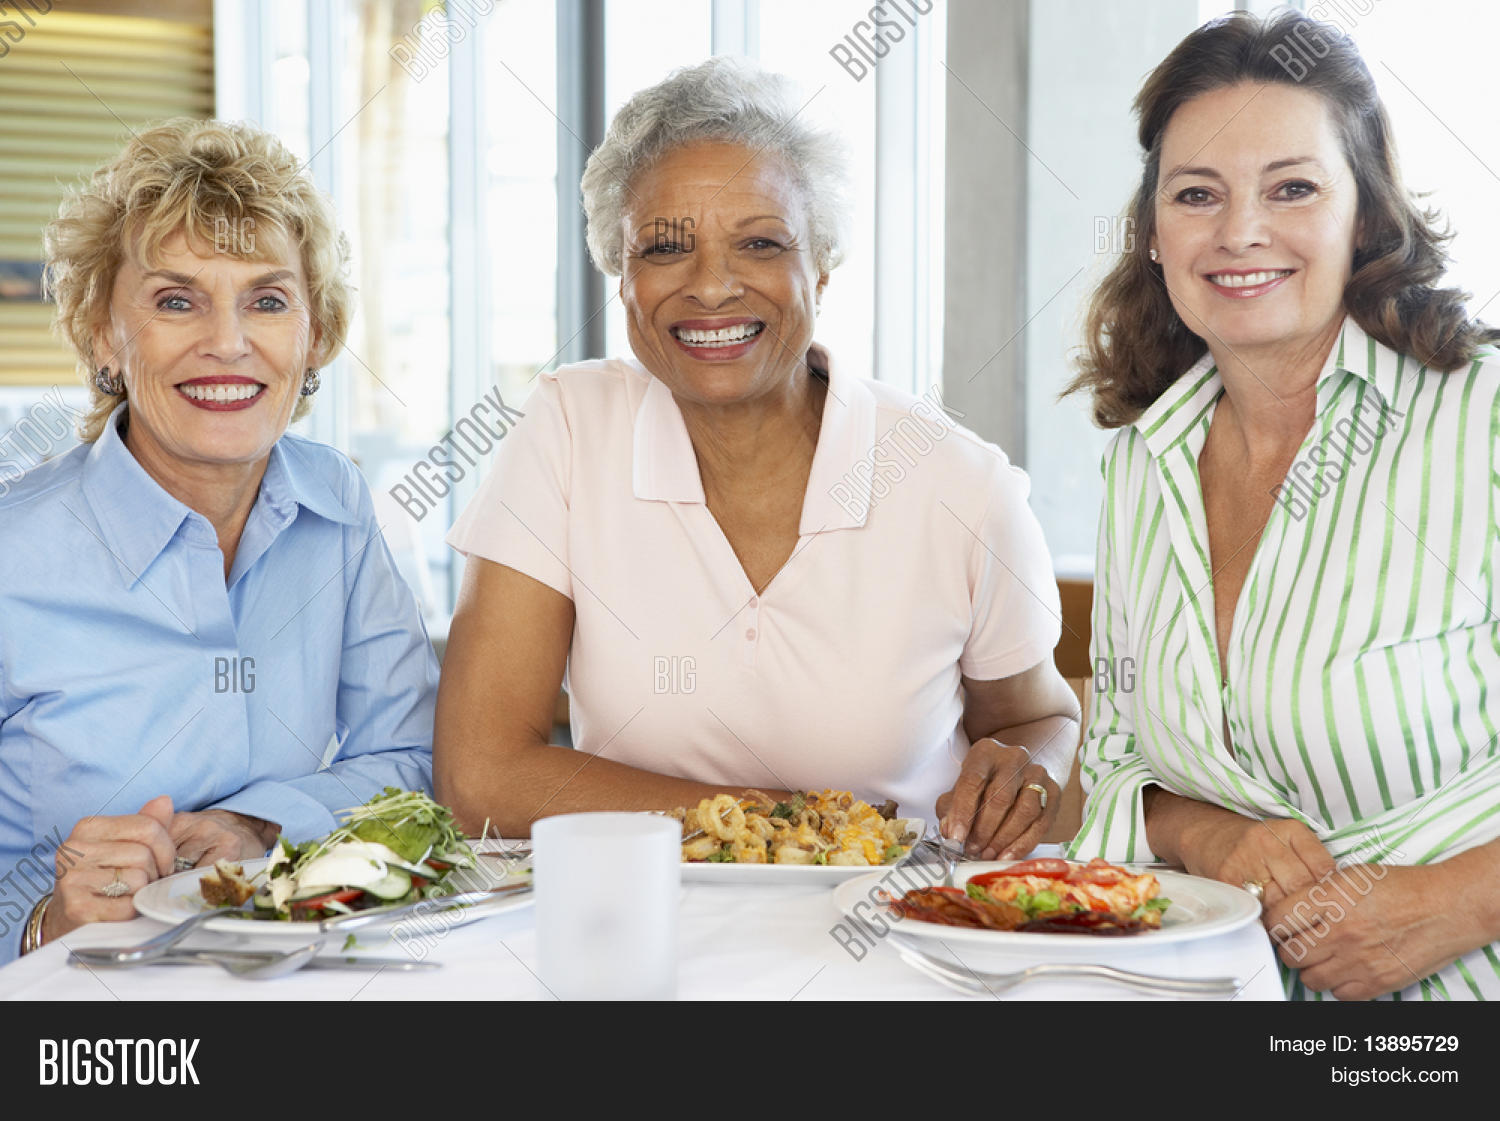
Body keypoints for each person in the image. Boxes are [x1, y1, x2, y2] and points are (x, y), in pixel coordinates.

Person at [436, 57, 1078, 854]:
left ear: (822, 266)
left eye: (761, 243)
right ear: (621, 273)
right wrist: (792, 826)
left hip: (889, 935)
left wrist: (1034, 768)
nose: (711, 287)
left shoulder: (958, 481)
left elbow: (1036, 718)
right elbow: (480, 775)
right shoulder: (571, 425)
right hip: (642, 931)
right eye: (665, 248)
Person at [1065, 11, 1500, 1000]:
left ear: (1365, 215)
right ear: (1153, 232)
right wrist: (1206, 831)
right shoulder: (1144, 460)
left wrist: (1458, 902)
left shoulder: (1483, 417)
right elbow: (1119, 753)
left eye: (1293, 187)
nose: (1240, 232)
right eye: (1196, 195)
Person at [0, 119, 438, 960]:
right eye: (176, 300)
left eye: (267, 300)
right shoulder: (17, 554)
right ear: (103, 334)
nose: (229, 343)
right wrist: (43, 922)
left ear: (315, 335)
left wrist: (259, 822)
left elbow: (413, 759)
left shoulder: (336, 503)